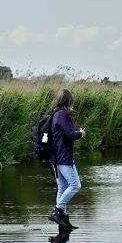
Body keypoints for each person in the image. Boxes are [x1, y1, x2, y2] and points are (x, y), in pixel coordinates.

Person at [48, 88, 85, 230]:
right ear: (68, 101)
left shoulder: (55, 114)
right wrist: (80, 134)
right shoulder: (62, 115)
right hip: (62, 157)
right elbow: (70, 135)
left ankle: (63, 222)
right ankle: (57, 211)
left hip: (55, 157)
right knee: (75, 185)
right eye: (71, 101)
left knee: (63, 187)